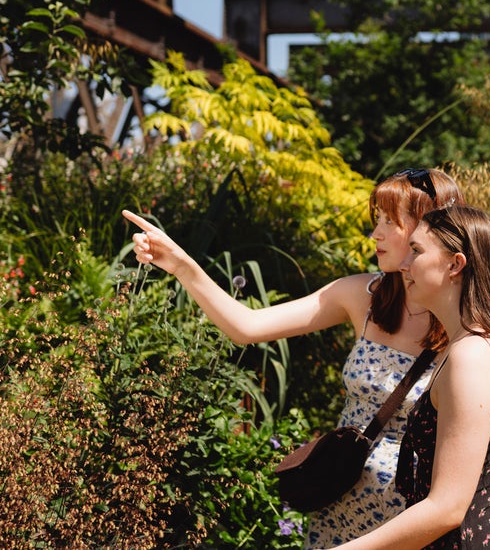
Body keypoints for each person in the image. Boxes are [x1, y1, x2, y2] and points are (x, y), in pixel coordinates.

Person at [123, 167, 461, 549]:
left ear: (428, 231)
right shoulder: (360, 294)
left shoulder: (464, 329)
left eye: (390, 221)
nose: (375, 234)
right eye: (376, 219)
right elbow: (247, 326)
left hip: (409, 525)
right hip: (340, 504)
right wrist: (182, 265)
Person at [335, 205, 490, 549]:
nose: (403, 265)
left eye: (415, 251)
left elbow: (448, 507)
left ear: (455, 265)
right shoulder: (466, 346)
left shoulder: (472, 356)